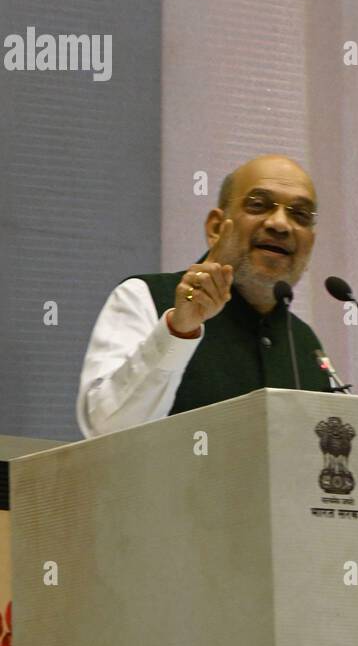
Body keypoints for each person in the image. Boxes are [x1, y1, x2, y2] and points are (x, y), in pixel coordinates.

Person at [77, 154, 338, 437]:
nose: (280, 224)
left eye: (299, 214)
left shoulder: (305, 343)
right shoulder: (144, 298)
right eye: (259, 205)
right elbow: (104, 428)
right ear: (216, 227)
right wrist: (178, 331)